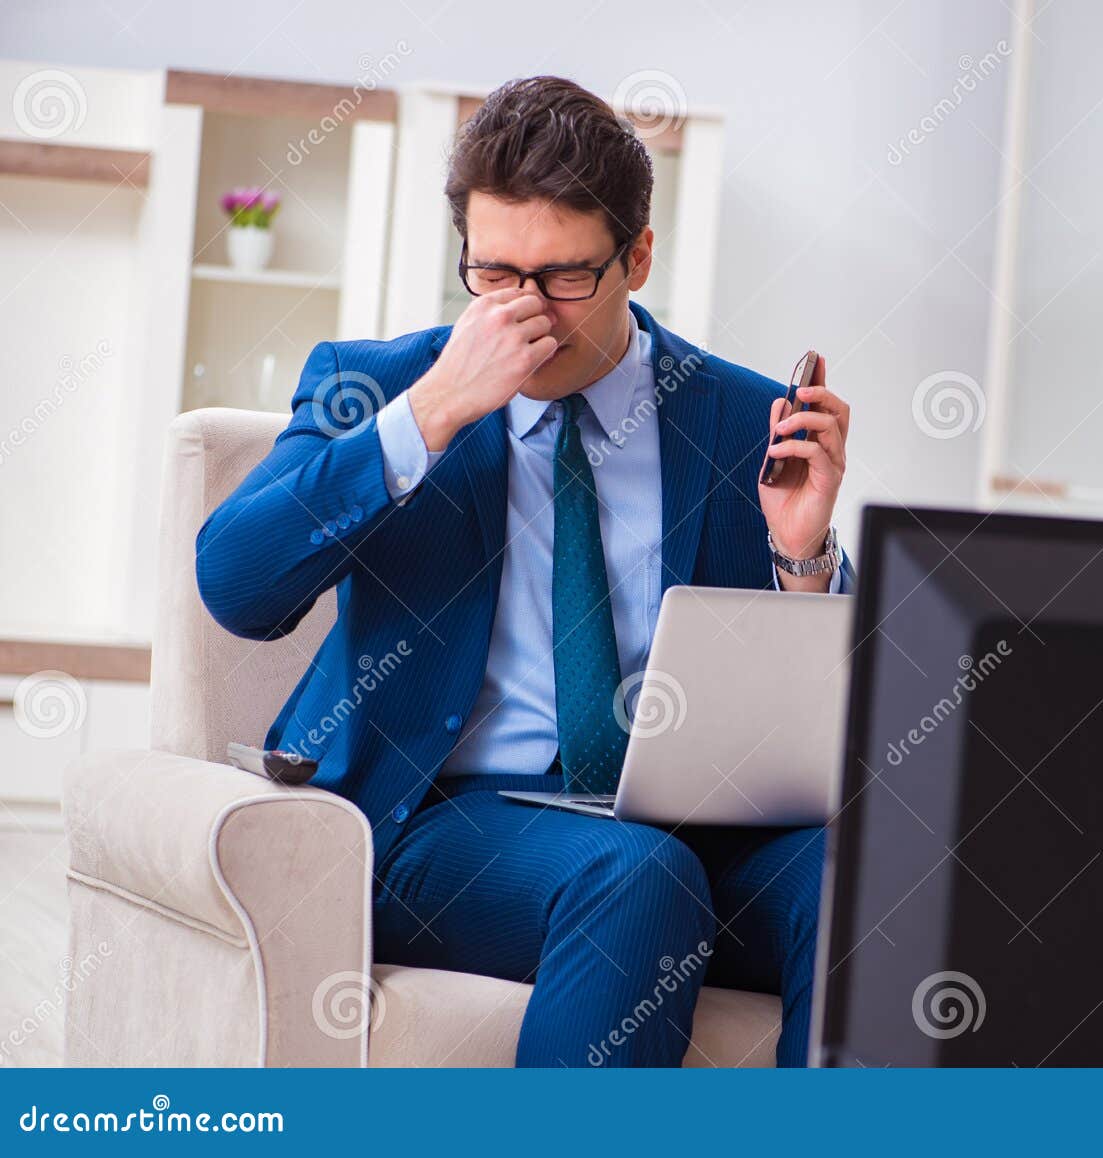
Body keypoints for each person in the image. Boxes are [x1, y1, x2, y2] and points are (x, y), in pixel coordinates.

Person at [195, 75, 853, 1067]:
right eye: (495, 275)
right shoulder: (374, 385)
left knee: (866, 874)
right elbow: (236, 588)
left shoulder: (736, 417)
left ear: (636, 256)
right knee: (638, 877)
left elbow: (811, 715)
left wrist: (802, 554)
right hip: (443, 823)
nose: (527, 314)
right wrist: (430, 415)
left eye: (564, 278)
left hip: (682, 822)